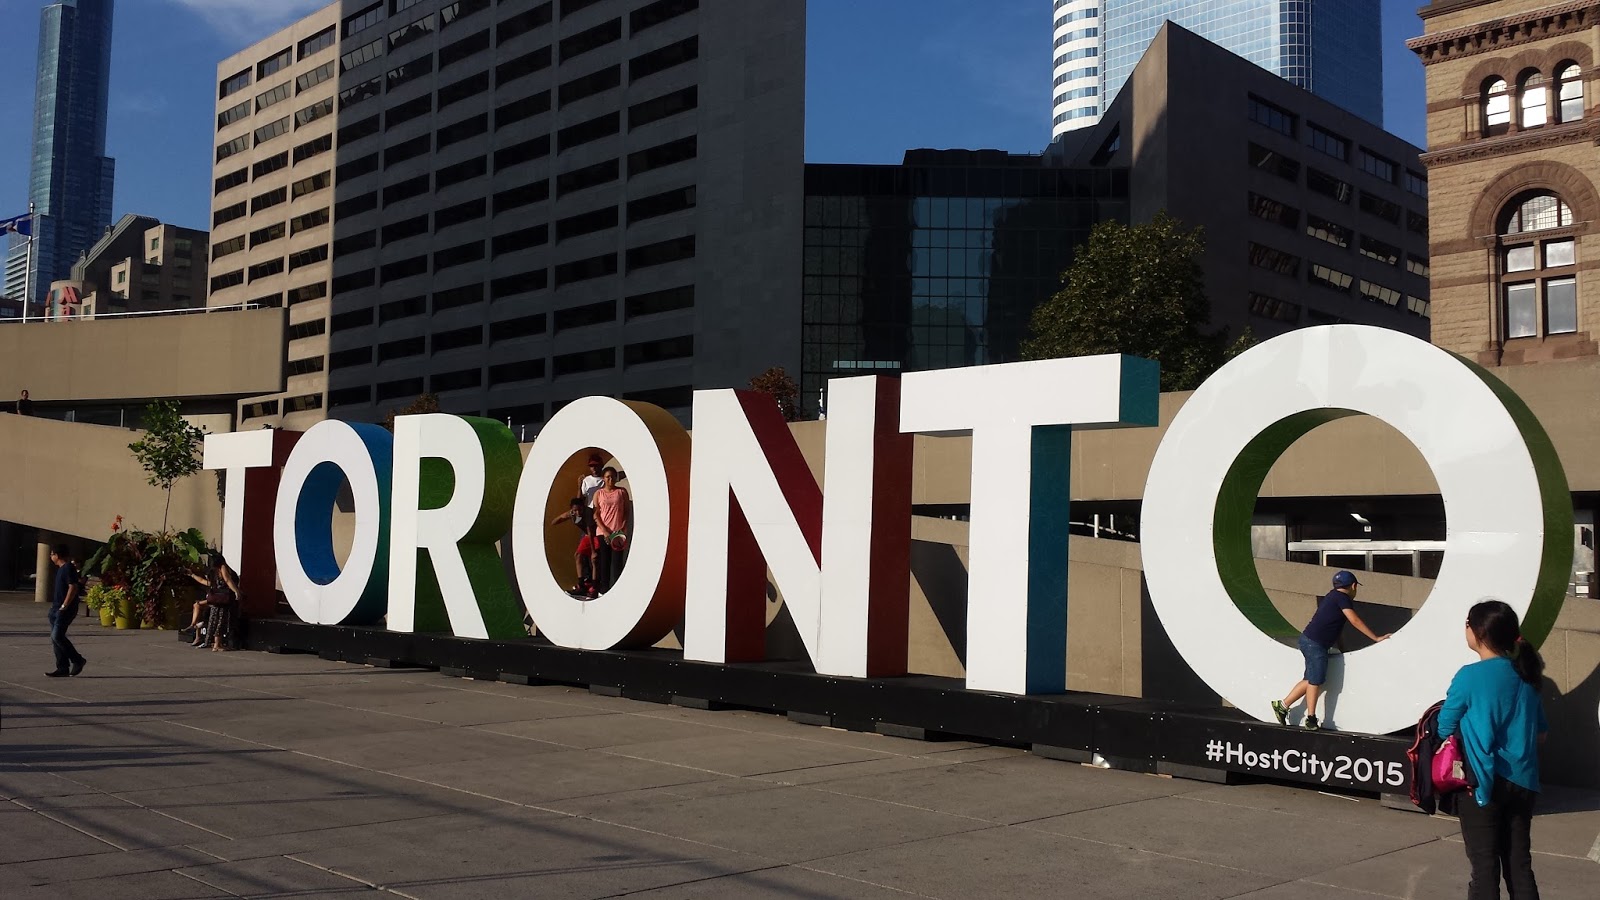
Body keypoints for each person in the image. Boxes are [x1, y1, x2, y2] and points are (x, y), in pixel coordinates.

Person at [1439, 599, 1548, 900]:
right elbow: (1540, 735)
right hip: (1523, 782)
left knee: (1485, 869)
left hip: (1481, 784)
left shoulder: (1469, 676)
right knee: (1519, 865)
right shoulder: (1528, 676)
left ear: (1476, 632)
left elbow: (1444, 727)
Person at [1272, 570, 1389, 730]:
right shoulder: (1343, 598)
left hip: (1309, 640)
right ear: (1354, 586)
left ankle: (1282, 705)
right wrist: (1375, 637)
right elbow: (1353, 620)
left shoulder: (1332, 596)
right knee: (1316, 681)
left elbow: (1335, 627)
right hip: (1315, 643)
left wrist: (1342, 649)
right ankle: (1311, 719)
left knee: (1310, 680)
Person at [45, 545, 87, 677]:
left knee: (57, 636)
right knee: (55, 639)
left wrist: (64, 605)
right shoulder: (61, 569)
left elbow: (73, 587)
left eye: (51, 554)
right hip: (55, 608)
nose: (51, 557)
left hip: (64, 609)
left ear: (57, 555)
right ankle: (62, 667)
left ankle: (78, 660)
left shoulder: (68, 568)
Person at [186, 555, 240, 650]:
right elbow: (227, 580)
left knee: (213, 621)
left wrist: (192, 575)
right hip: (223, 600)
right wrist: (236, 591)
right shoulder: (223, 568)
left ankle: (209, 640)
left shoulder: (213, 572)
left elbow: (204, 581)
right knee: (221, 621)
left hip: (214, 599)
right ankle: (217, 644)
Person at [591, 466, 630, 594]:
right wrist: (605, 531)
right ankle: (603, 590)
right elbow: (596, 514)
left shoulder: (622, 492)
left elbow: (626, 512)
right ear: (603, 478)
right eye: (608, 477)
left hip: (618, 532)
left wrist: (622, 529)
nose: (610, 479)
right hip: (603, 532)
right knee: (604, 561)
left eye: (613, 476)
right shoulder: (599, 494)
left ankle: (618, 591)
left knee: (617, 562)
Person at [549, 498, 597, 596]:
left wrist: (593, 551)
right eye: (575, 510)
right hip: (587, 536)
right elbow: (561, 518)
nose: (578, 512)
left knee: (592, 559)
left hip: (595, 535)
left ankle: (594, 586)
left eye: (580, 510)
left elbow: (590, 532)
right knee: (578, 556)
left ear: (583, 508)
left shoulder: (587, 513)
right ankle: (582, 584)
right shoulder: (572, 513)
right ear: (572, 510)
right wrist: (553, 522)